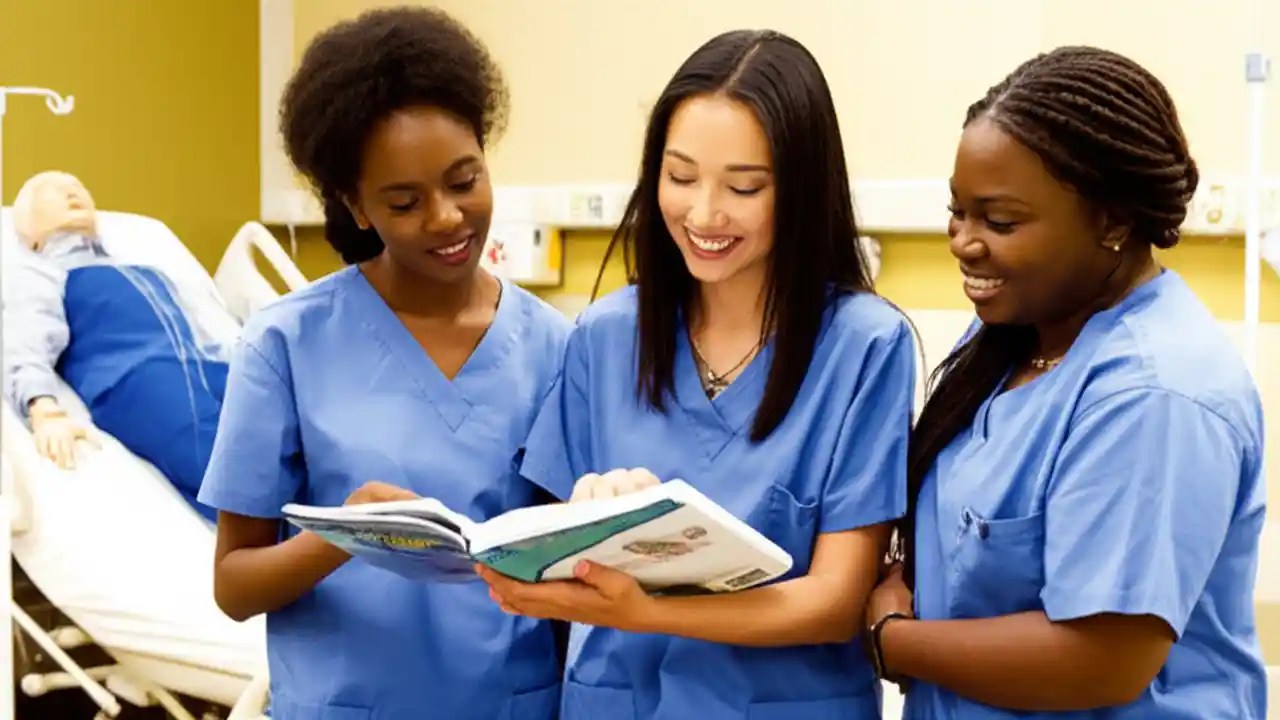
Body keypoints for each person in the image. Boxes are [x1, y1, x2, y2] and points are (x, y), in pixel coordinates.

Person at [478, 29, 916, 719]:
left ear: (800, 190)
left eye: (743, 187)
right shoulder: (606, 336)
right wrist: (581, 524)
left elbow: (834, 604)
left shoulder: (865, 347)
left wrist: (647, 609)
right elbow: (550, 558)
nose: (703, 214)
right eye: (680, 177)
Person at [863, 45, 1267, 719]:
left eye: (1000, 221)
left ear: (1111, 222)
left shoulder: (1153, 395)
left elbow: (1099, 662)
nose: (963, 241)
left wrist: (892, 641)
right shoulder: (1013, 335)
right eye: (958, 211)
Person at [196, 7, 570, 719]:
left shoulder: (555, 345)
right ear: (356, 205)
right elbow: (235, 587)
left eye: (464, 181)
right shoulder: (286, 345)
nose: (447, 218)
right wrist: (346, 534)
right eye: (405, 201)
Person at [3, 170, 231, 521]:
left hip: (209, 367)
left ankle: (325, 546)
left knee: (286, 443)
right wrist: (43, 410)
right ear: (29, 232)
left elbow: (209, 328)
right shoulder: (41, 271)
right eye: (53, 189)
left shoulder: (150, 269)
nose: (73, 190)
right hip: (137, 380)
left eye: (77, 186)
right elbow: (26, 339)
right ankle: (307, 560)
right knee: (228, 472)